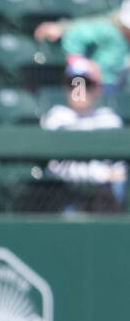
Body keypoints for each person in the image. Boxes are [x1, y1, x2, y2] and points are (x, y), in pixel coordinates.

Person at [38, 57, 126, 213]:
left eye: (87, 84)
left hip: (105, 201)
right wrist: (101, 174)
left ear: (98, 88)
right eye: (74, 84)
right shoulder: (55, 118)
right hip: (66, 196)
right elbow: (57, 169)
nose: (79, 90)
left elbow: (119, 171)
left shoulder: (109, 119)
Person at [34, 0, 130, 94]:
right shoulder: (106, 30)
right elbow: (75, 35)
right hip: (96, 86)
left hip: (117, 88)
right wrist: (80, 63)